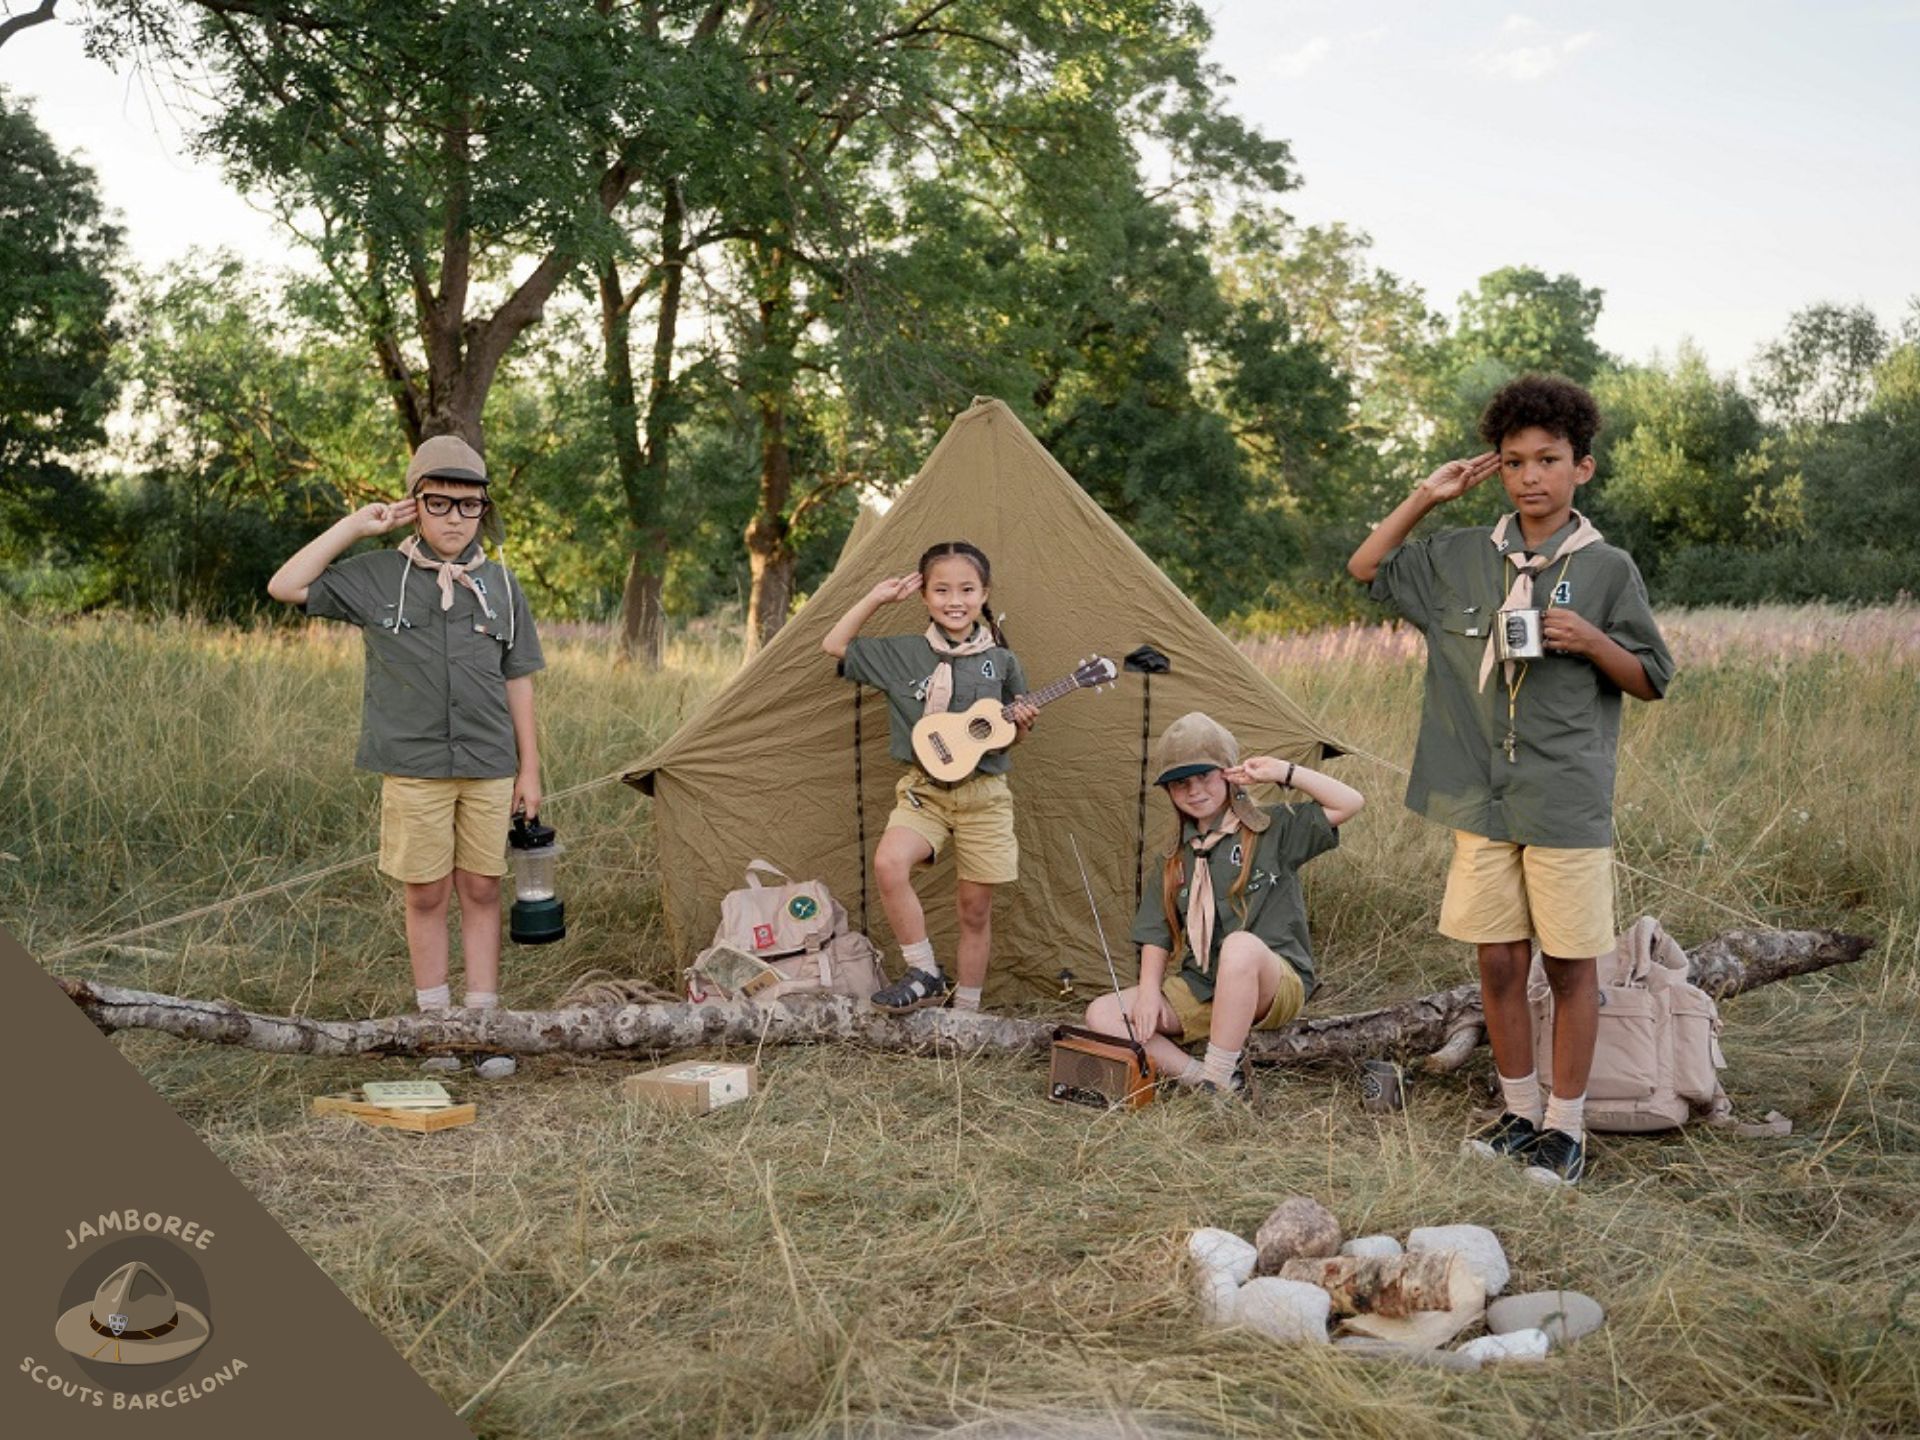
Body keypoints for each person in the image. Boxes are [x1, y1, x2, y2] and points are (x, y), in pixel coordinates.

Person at [1347, 373, 1674, 1185]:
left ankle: (1566, 1128)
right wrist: (1428, 496)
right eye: (1516, 461)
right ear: (1497, 467)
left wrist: (1593, 641)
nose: (1532, 476)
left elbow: (1651, 678)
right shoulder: (1461, 557)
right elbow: (1365, 565)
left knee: (1569, 965)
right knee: (1498, 961)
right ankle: (1519, 1114)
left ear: (1581, 467)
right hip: (1479, 793)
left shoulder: (1607, 568)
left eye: (1549, 460)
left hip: (1562, 795)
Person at [267, 435, 543, 1067]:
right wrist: (357, 526)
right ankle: (437, 1026)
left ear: (484, 510)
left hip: (489, 764)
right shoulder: (378, 577)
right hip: (414, 767)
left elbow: (519, 678)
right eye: (438, 503)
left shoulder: (501, 585)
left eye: (469, 506)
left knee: (482, 887)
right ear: (414, 505)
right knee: (426, 893)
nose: (454, 519)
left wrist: (529, 769)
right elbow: (286, 585)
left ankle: (482, 1025)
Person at [1084, 712, 1363, 1098]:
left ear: (1229, 774)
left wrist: (1282, 771)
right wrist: (1148, 992)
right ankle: (1206, 1079)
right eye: (1181, 783)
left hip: (1273, 982)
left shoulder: (1272, 828)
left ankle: (1217, 1076)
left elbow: (1351, 803)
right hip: (1205, 987)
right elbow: (1156, 934)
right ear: (1169, 792)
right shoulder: (1174, 857)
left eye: (1205, 776)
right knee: (1102, 1013)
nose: (1194, 791)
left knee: (1240, 946)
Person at [821, 542, 1038, 1014]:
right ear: (924, 596)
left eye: (967, 589)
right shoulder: (904, 653)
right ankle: (924, 972)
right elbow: (834, 645)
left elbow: (1008, 737)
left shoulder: (1002, 661)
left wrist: (1020, 726)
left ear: (984, 593)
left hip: (984, 796)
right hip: (924, 792)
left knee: (973, 911)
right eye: (941, 590)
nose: (954, 601)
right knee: (888, 864)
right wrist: (876, 598)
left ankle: (967, 1013)